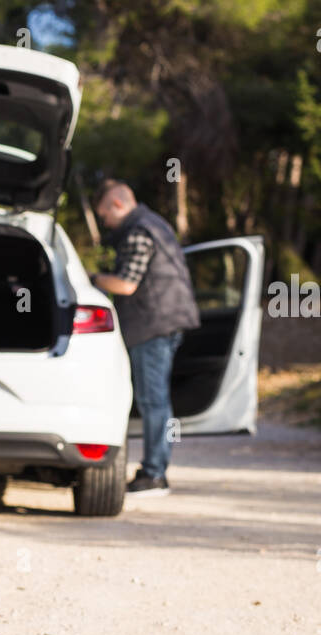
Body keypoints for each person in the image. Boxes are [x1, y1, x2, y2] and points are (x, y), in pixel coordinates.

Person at [90, 180, 200, 497]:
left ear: (118, 204)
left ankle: (154, 475)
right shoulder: (155, 223)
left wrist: (93, 279)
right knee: (156, 401)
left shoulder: (139, 230)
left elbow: (125, 284)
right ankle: (154, 470)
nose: (106, 223)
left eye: (105, 216)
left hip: (153, 324)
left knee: (154, 402)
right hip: (164, 321)